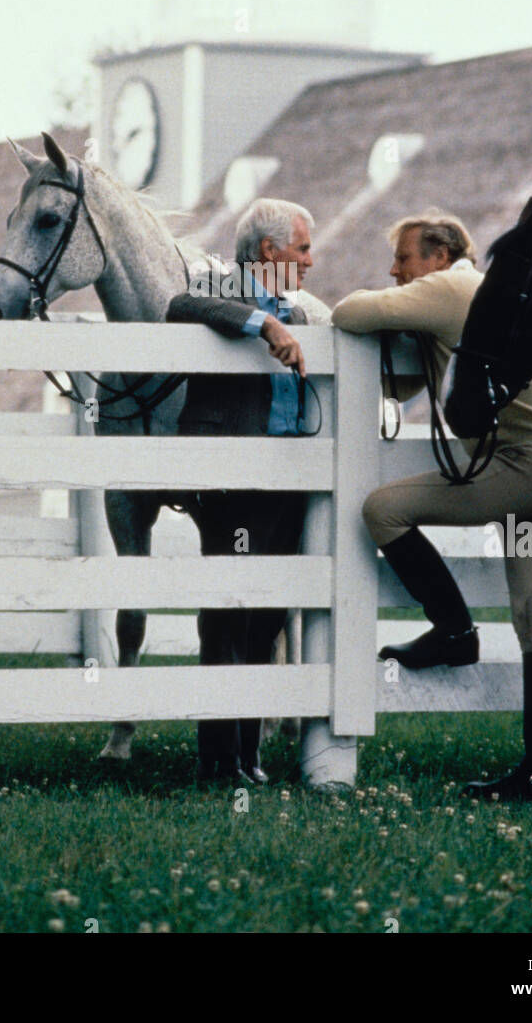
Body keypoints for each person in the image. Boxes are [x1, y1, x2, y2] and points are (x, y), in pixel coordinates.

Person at [331, 208, 532, 802]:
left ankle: (452, 630)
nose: (394, 270)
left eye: (404, 257)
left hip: (526, 468)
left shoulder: (452, 287)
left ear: (440, 255)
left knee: (382, 510)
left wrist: (392, 314)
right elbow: (409, 386)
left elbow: (350, 312)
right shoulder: (473, 299)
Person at [166, 198, 324, 785]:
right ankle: (217, 760)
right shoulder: (223, 294)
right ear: (268, 251)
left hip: (285, 483)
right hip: (234, 483)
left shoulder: (301, 318)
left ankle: (248, 756)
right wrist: (264, 324)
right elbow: (179, 304)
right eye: (302, 248)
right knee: (227, 614)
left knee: (269, 617)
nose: (311, 260)